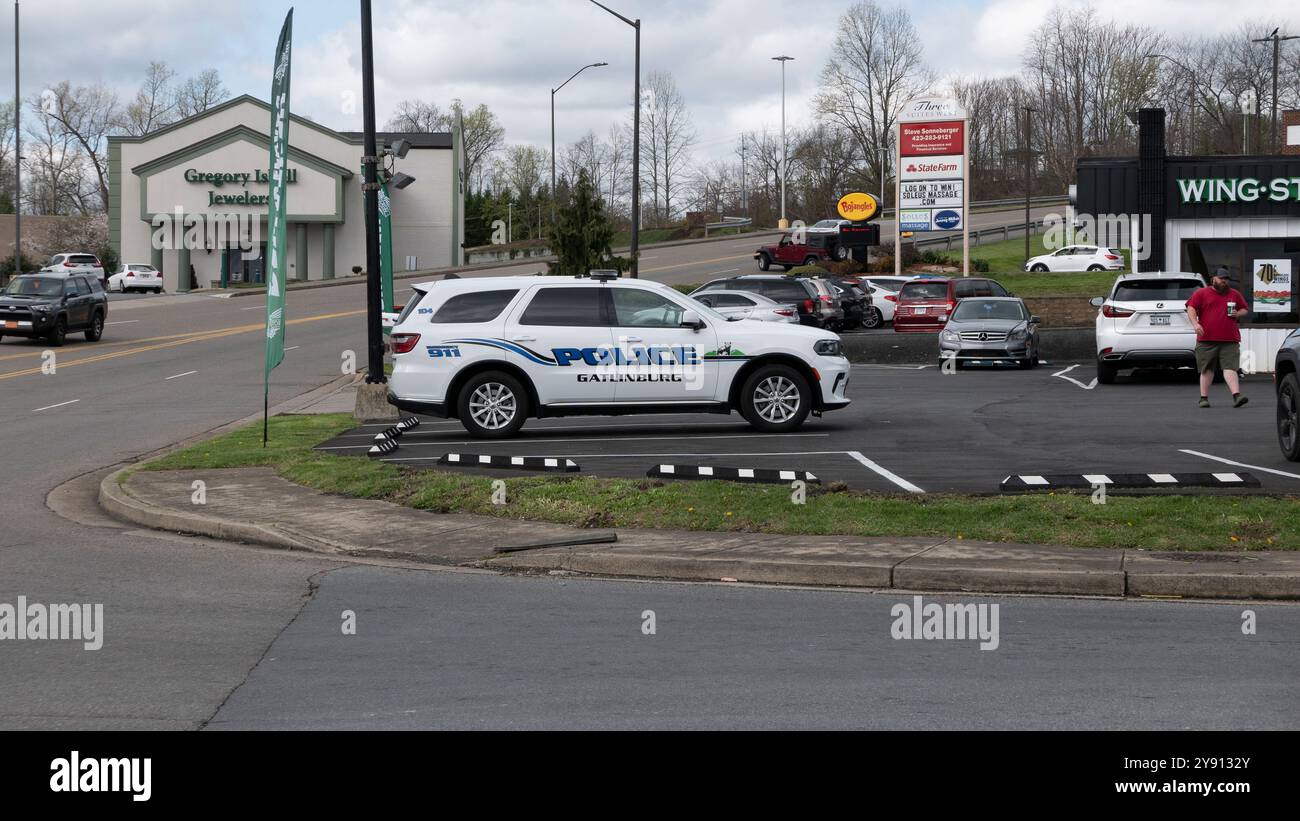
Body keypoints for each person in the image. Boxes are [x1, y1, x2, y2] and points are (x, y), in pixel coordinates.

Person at [1185, 268, 1249, 408]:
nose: (1224, 281)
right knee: (1207, 369)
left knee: (1230, 368)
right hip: (1206, 339)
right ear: (1213, 279)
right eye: (1221, 278)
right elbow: (1191, 307)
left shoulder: (1234, 294)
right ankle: (1203, 398)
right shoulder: (1202, 293)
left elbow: (1245, 309)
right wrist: (1195, 323)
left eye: (1226, 279)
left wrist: (1238, 314)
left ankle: (1237, 396)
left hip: (1230, 339)